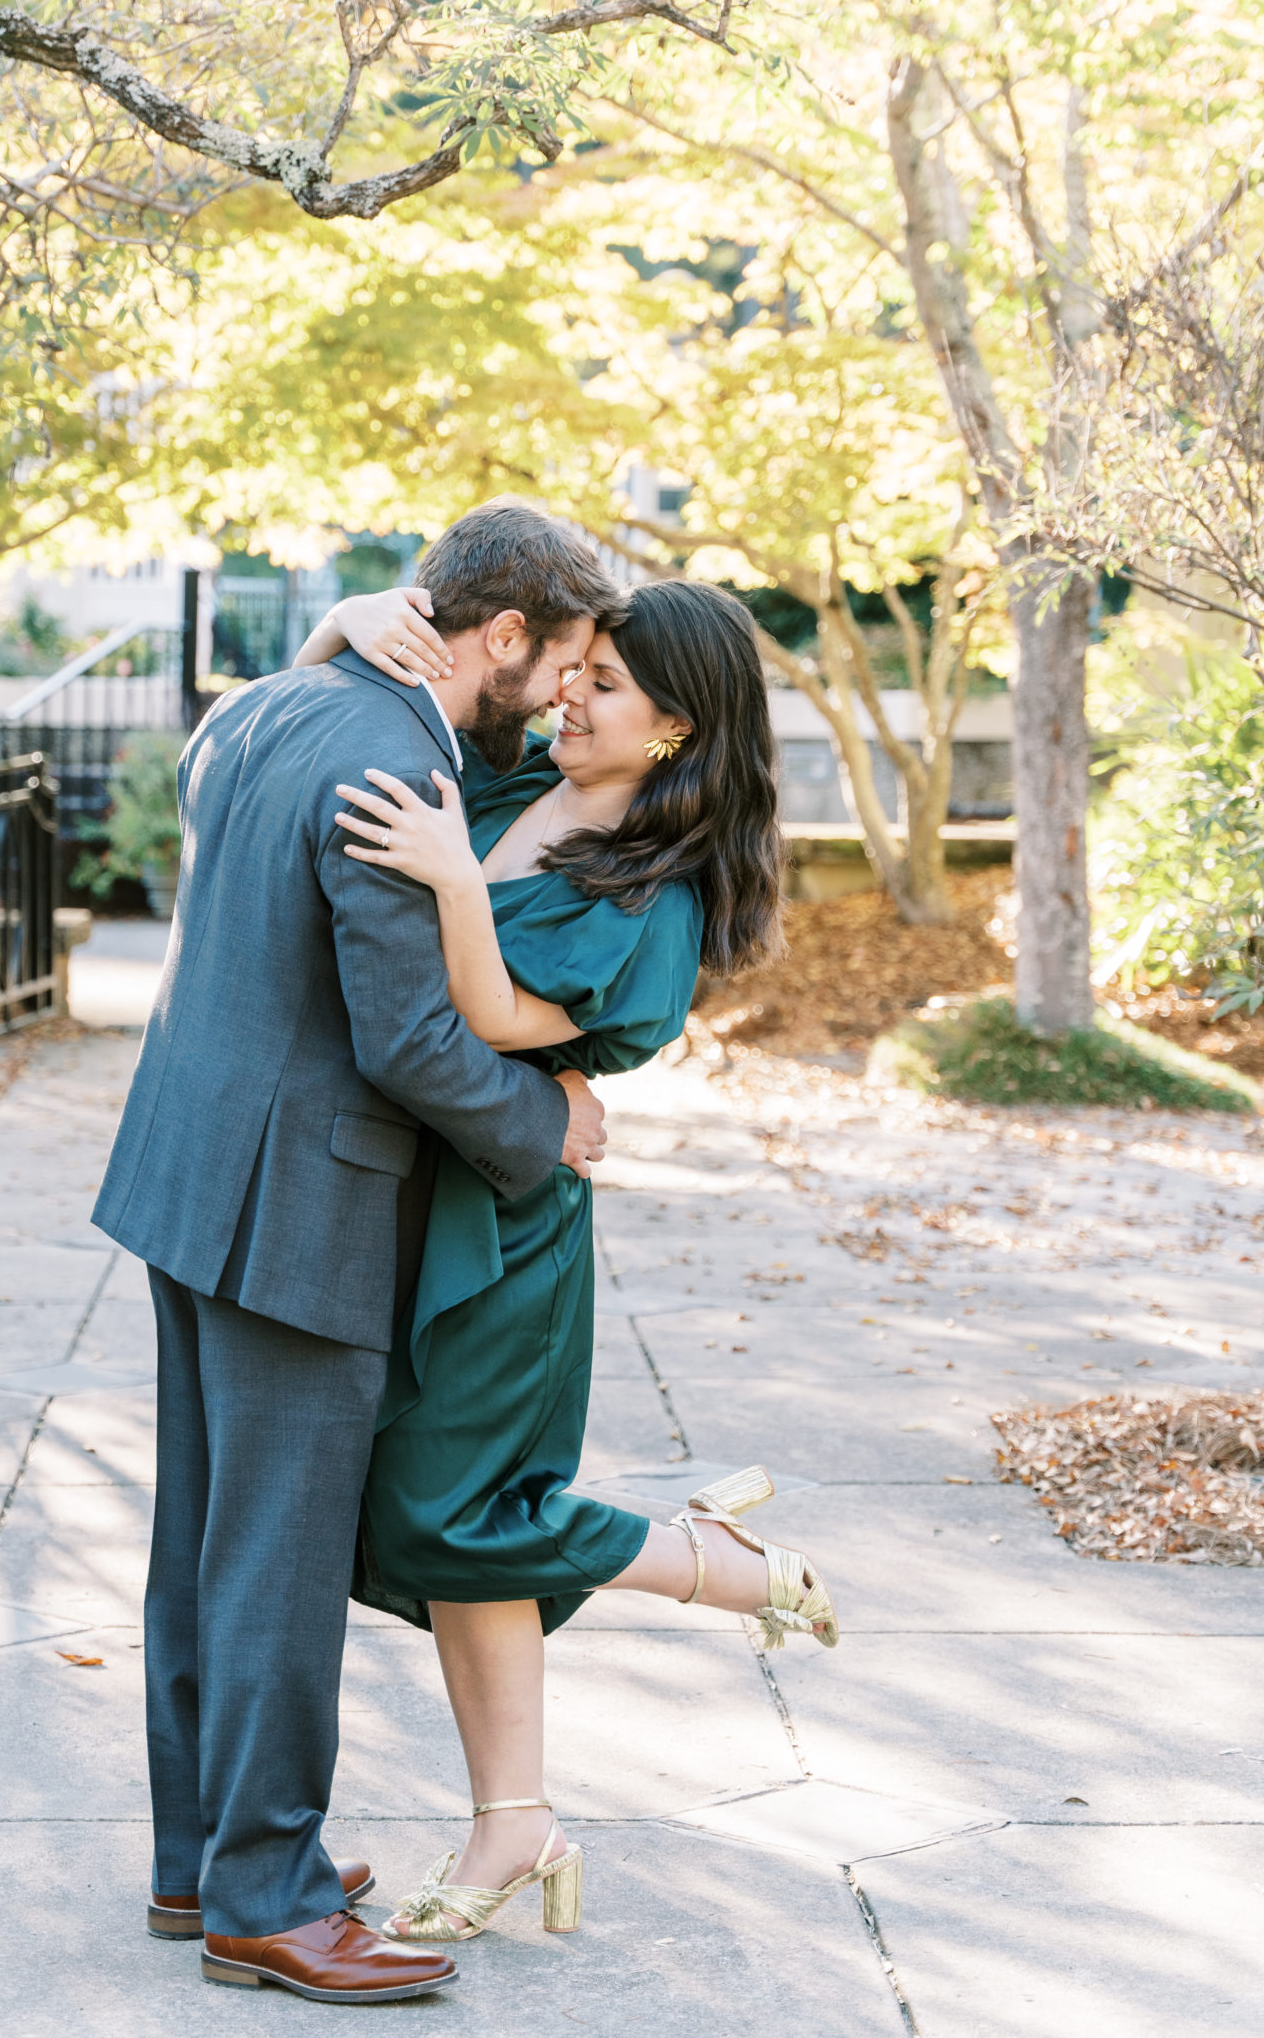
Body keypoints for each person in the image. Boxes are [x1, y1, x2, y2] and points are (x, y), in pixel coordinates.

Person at [91, 501, 626, 2004]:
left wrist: (330, 629)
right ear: (501, 636)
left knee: (207, 1540)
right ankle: (266, 1897)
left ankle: (200, 1860)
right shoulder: (395, 768)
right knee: (277, 1558)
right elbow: (408, 1041)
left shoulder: (278, 709)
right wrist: (551, 1120)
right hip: (296, 1206)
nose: (567, 695)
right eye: (565, 660)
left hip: (188, 1179)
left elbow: (213, 757)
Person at [294, 572, 838, 1946]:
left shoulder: (650, 896)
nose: (565, 700)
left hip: (505, 1234)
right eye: (573, 673)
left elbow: (488, 1013)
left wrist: (447, 880)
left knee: (449, 1519)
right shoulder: (512, 788)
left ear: (674, 727)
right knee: (460, 1533)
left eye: (601, 685)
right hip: (418, 1202)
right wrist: (341, 622)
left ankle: (708, 1560)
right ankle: (514, 1823)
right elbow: (314, 730)